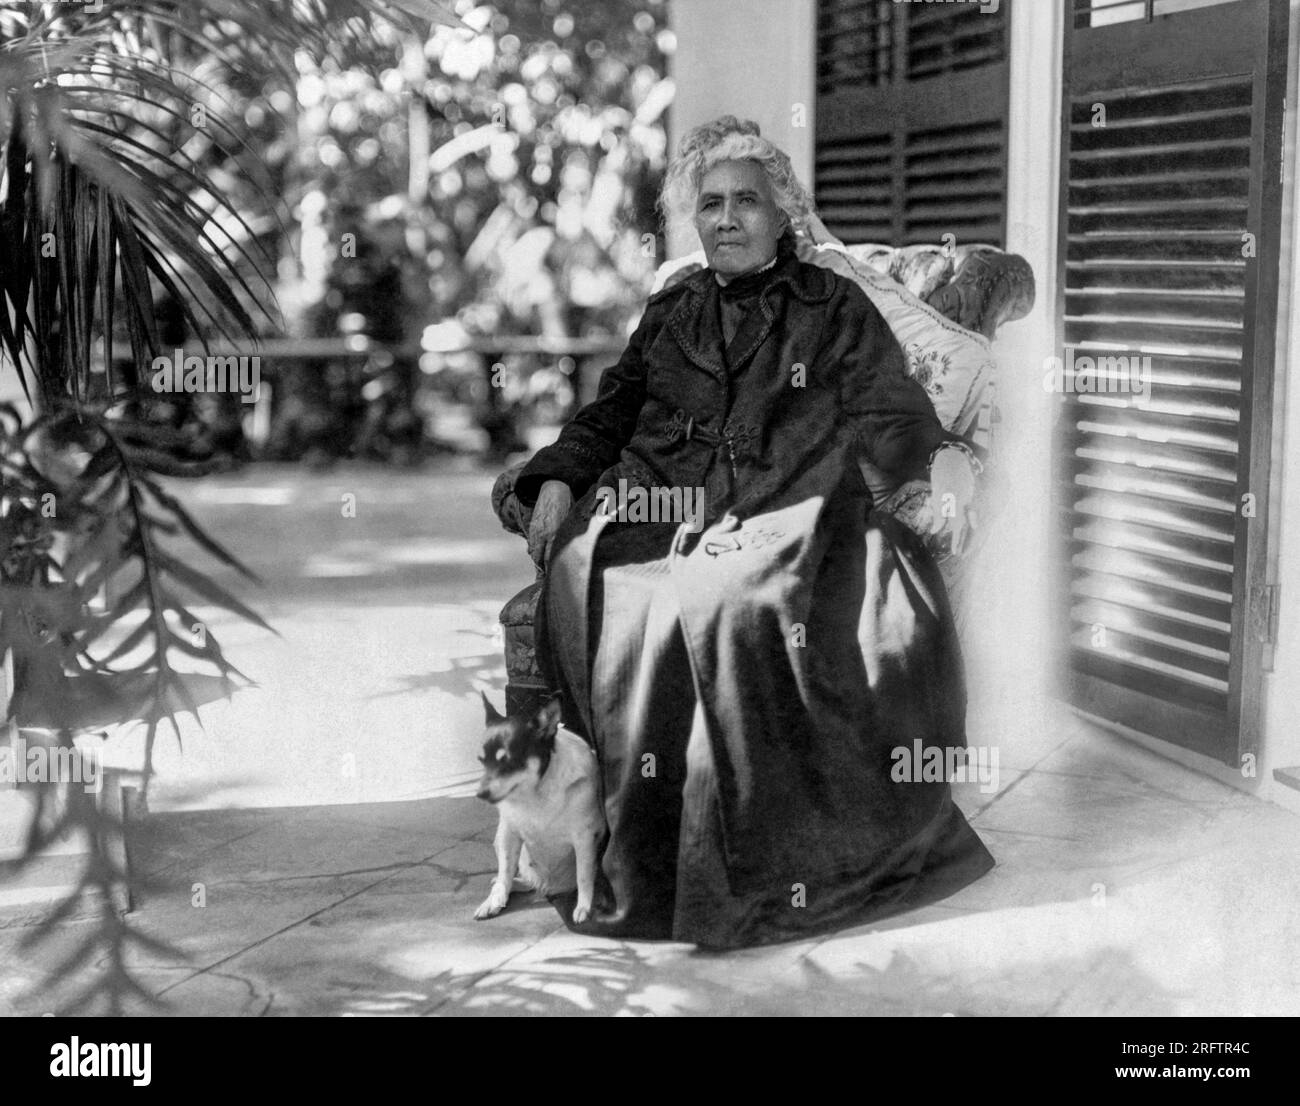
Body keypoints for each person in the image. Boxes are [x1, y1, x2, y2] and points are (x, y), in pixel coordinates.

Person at [511, 116, 994, 948]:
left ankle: (741, 875)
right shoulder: (673, 307)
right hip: (666, 502)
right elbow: (611, 412)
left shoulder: (832, 305)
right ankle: (634, 853)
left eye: (747, 202)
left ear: (783, 214)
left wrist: (941, 456)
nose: (727, 219)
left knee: (728, 605)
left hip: (791, 503)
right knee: (592, 575)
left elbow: (889, 409)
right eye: (711, 204)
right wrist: (557, 474)